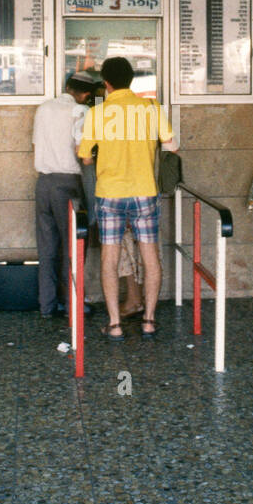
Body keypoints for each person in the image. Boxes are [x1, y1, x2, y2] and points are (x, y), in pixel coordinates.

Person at [77, 56, 176, 341]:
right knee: (150, 255)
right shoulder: (150, 108)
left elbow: (85, 158)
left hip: (110, 192)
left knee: (110, 257)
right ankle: (149, 320)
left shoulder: (97, 113)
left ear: (106, 84)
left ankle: (115, 324)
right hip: (145, 190)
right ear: (131, 80)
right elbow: (171, 145)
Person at [32, 70, 97, 318]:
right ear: (85, 94)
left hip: (43, 183)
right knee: (74, 245)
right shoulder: (81, 111)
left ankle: (47, 306)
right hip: (67, 184)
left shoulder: (43, 108)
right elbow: (83, 151)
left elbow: (36, 145)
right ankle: (73, 304)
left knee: (47, 248)